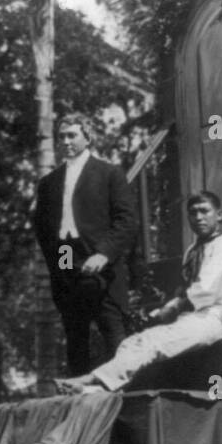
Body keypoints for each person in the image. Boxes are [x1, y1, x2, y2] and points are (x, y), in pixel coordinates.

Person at [58, 190, 222, 392]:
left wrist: (171, 309)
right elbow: (184, 290)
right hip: (194, 318)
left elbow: (206, 290)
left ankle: (91, 380)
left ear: (219, 215)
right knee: (132, 343)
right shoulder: (192, 250)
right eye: (193, 213)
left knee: (152, 341)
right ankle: (102, 389)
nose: (199, 217)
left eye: (205, 211)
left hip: (218, 319)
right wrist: (166, 310)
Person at [33, 112, 138, 376]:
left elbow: (127, 220)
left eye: (72, 135)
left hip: (100, 260)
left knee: (112, 329)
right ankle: (80, 399)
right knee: (75, 333)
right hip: (67, 256)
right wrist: (59, 266)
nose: (66, 141)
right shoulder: (49, 183)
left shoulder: (108, 173)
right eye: (62, 137)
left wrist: (104, 254)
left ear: (87, 137)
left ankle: (121, 394)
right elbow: (44, 229)